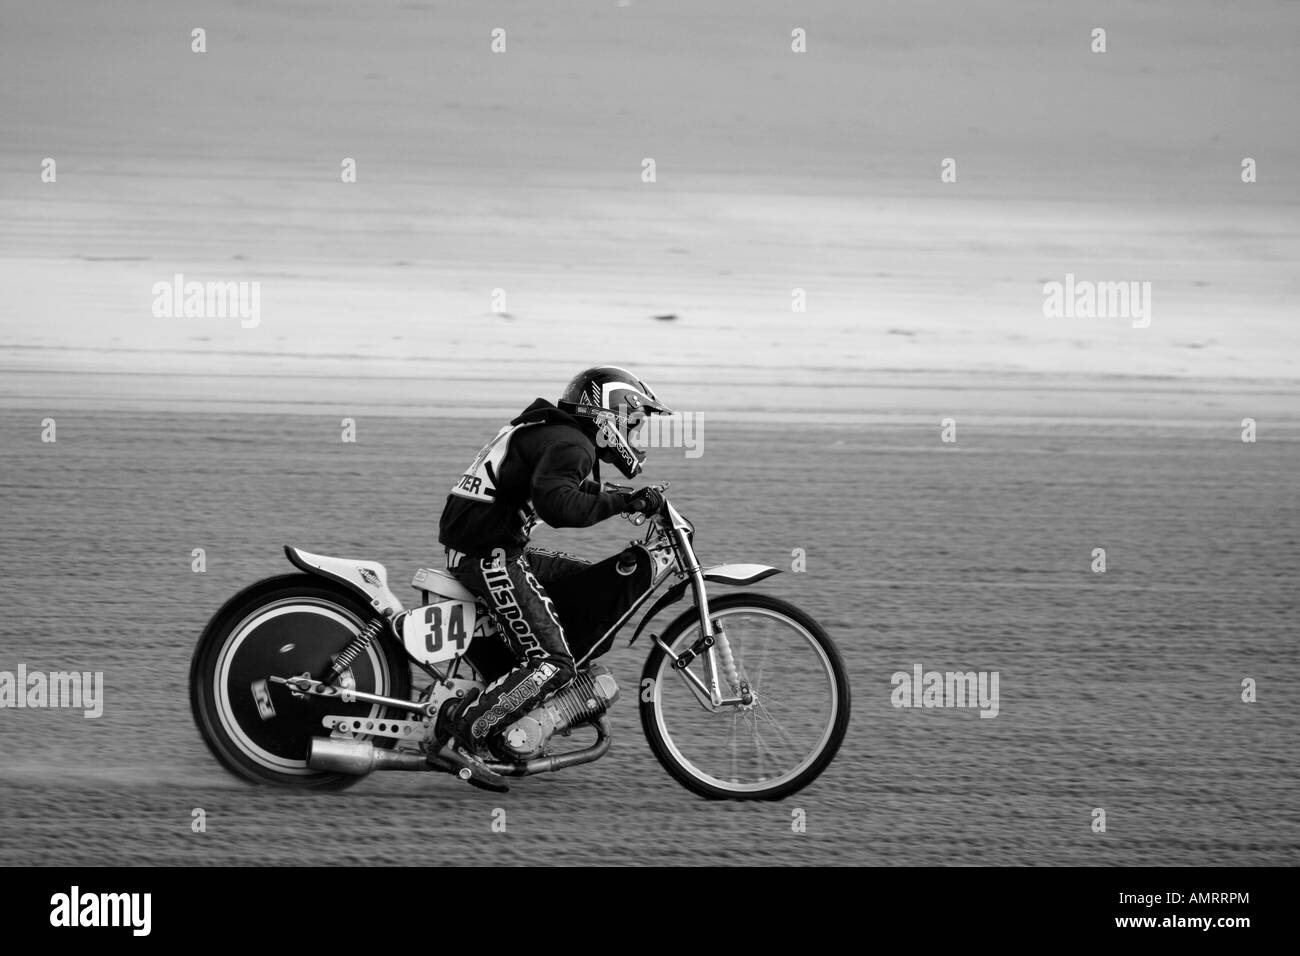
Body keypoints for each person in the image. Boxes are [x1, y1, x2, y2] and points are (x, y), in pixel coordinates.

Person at [429, 366, 671, 791]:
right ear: (610, 414)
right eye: (634, 421)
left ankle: (516, 693)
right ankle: (461, 735)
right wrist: (625, 501)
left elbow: (564, 489)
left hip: (491, 547)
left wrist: (621, 497)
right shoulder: (570, 444)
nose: (636, 433)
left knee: (588, 584)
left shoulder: (558, 434)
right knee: (553, 663)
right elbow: (559, 506)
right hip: (490, 556)